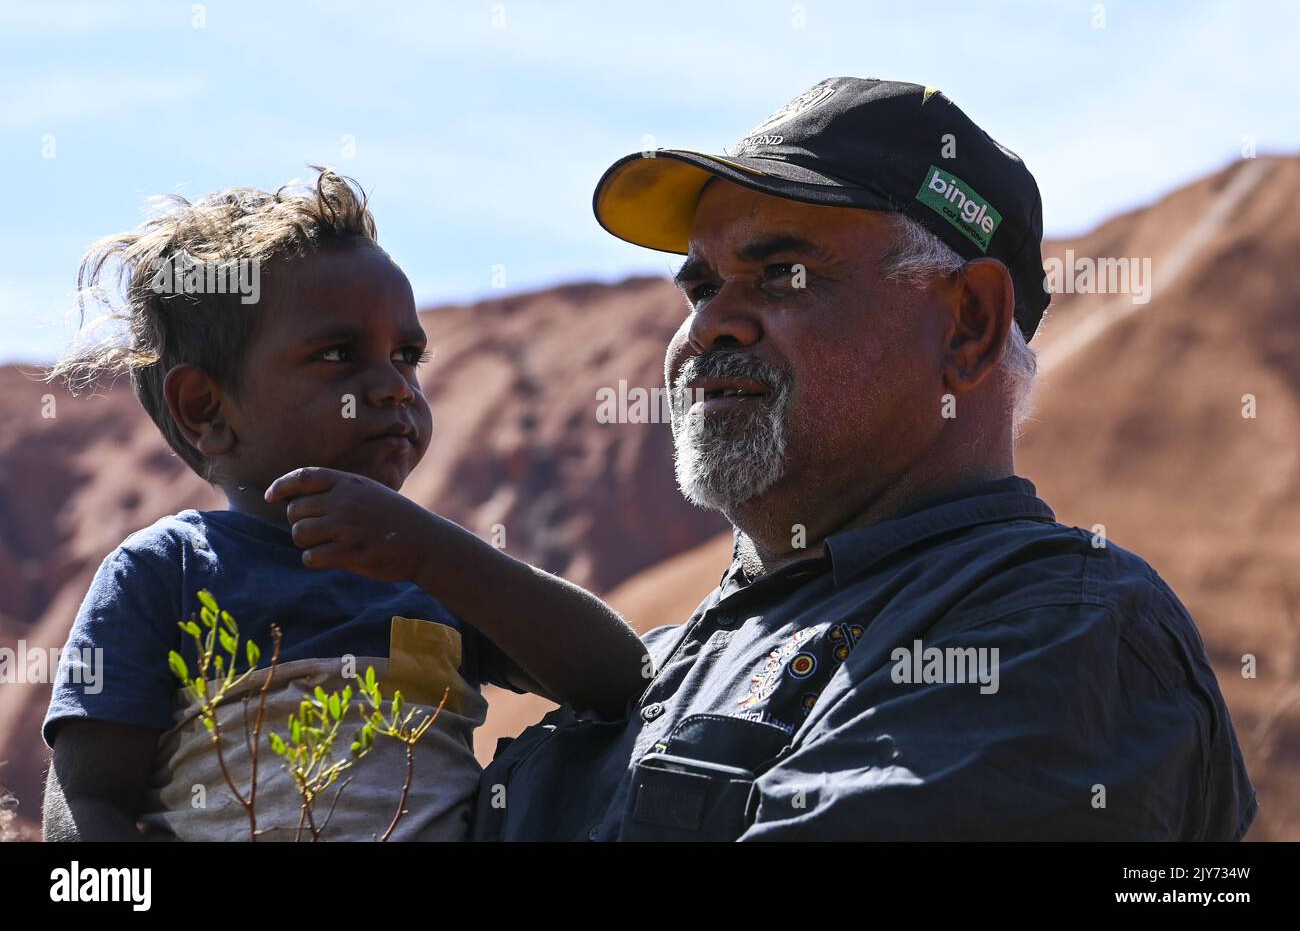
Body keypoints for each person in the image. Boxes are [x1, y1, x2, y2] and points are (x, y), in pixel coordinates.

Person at [474, 78, 1258, 841]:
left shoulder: (1059, 633)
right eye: (702, 286)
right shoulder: (655, 664)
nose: (711, 325)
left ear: (970, 325)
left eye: (784, 275)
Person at [40, 169, 646, 841]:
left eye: (409, 356)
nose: (393, 387)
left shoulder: (436, 574)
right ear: (205, 409)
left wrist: (434, 557)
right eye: (337, 354)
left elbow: (622, 680)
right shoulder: (167, 572)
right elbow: (86, 800)